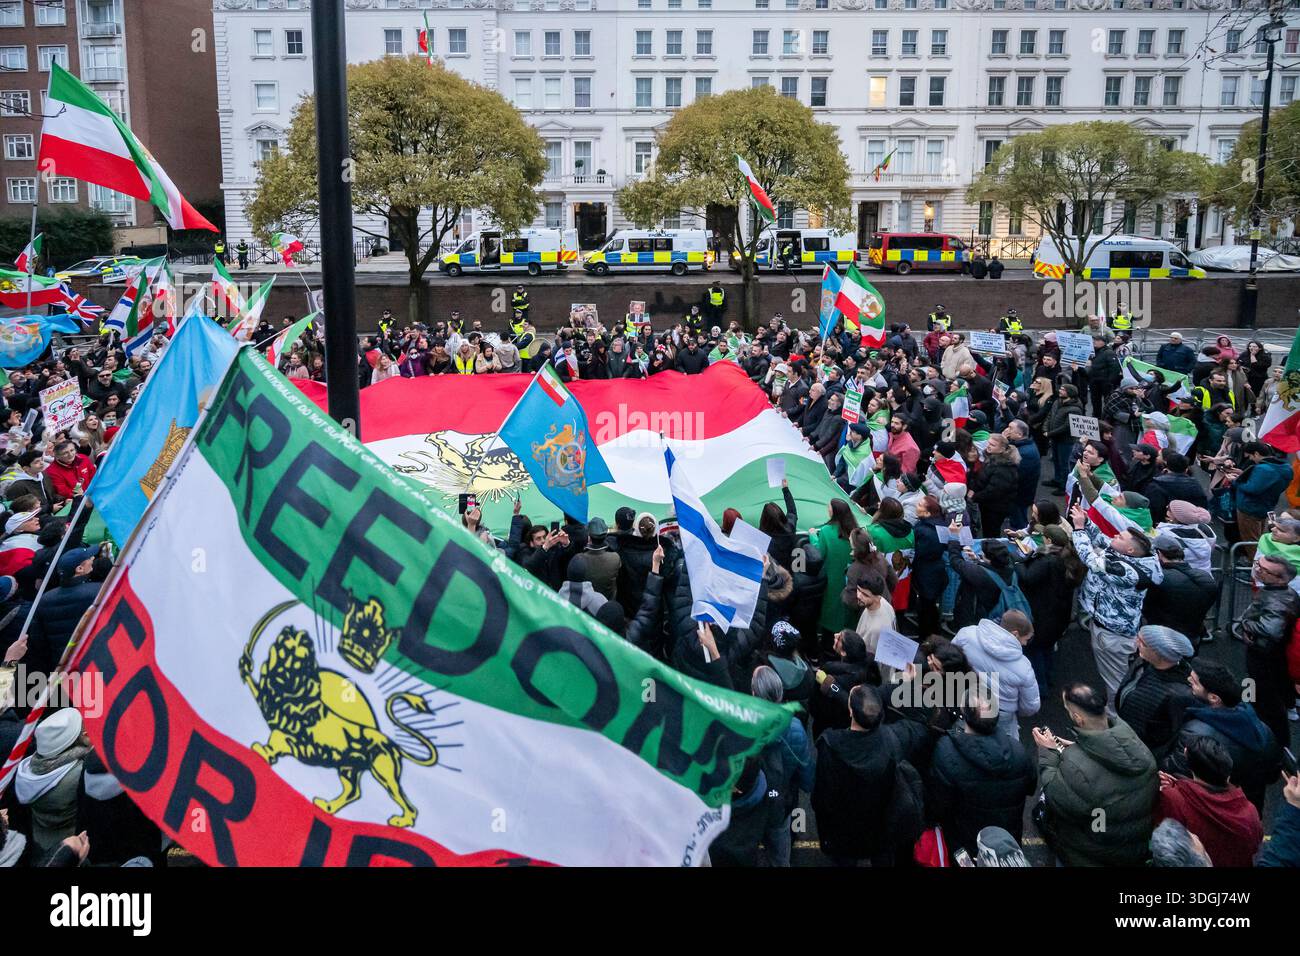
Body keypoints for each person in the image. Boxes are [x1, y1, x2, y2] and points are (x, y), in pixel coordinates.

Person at [1033, 682, 1158, 867]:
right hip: (1132, 847)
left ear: (1078, 718)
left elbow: (1055, 796)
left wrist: (1047, 753)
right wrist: (1078, 748)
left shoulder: (1076, 769)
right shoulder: (1134, 742)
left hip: (1090, 853)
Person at [812, 684, 927, 866]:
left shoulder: (830, 745)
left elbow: (822, 797)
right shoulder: (894, 738)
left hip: (843, 830)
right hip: (880, 826)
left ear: (850, 711)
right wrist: (906, 684)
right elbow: (921, 720)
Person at [1070, 502, 1161, 712]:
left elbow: (1090, 559)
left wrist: (1079, 529)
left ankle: (1119, 720)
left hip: (1112, 634)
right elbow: (1103, 540)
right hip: (1116, 628)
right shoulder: (1141, 557)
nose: (1113, 538)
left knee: (1117, 684)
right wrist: (1087, 522)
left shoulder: (1126, 571)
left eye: (1119, 537)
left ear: (1130, 549)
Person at [927, 686, 1037, 855]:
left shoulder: (946, 751)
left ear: (964, 712)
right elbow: (1030, 787)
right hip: (1007, 838)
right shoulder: (1018, 751)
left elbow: (939, 803)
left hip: (966, 840)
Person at [1164, 659, 1280, 813]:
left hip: (1207, 809)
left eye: (1195, 682)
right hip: (1247, 808)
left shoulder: (1195, 733)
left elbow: (1174, 771)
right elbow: (1273, 774)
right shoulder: (1263, 729)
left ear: (1214, 698)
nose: (1188, 681)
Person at [1156, 737, 1263, 867]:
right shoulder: (1249, 811)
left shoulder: (1173, 799)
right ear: (1227, 774)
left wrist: (1172, 791)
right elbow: (1255, 845)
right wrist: (1178, 786)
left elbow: (1165, 841)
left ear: (1189, 764)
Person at [1232, 554, 1300, 746]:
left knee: (1258, 688)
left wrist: (1246, 624)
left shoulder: (1277, 601)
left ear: (1281, 579)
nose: (1257, 570)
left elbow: (1271, 630)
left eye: (1264, 569)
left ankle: (1249, 712)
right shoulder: (1280, 592)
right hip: (1272, 653)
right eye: (1257, 565)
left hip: (1263, 654)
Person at [750, 665, 813, 867]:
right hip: (779, 802)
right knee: (780, 853)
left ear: (753, 693)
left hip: (751, 804)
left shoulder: (743, 725)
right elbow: (806, 774)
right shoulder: (794, 728)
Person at [13, 709, 91, 856]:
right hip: (68, 844)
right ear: (75, 739)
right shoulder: (76, 774)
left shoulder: (31, 767)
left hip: (40, 836)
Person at [952, 610, 1040, 740]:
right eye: (1026, 639)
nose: (1025, 644)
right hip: (1001, 714)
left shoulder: (967, 634)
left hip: (968, 700)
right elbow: (1030, 706)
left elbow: (951, 658)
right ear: (1015, 634)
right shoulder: (1023, 667)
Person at [1113, 625, 1194, 756]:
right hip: (1127, 734)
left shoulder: (1180, 694)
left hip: (1143, 752)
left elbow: (1172, 736)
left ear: (1158, 653)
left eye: (1142, 642)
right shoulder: (1143, 662)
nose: (1136, 642)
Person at [1142, 533, 1216, 647]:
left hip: (1161, 640)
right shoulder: (1206, 578)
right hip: (1192, 639)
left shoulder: (1159, 579)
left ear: (1158, 554)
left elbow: (1146, 608)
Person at [1221, 441, 1291, 541]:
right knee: (1257, 535)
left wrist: (1235, 481)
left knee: (1251, 540)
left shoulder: (1262, 469)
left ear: (1257, 454)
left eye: (1250, 456)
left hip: (1249, 508)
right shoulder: (1285, 468)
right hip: (1267, 505)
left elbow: (1252, 488)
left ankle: (1255, 557)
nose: (1250, 459)